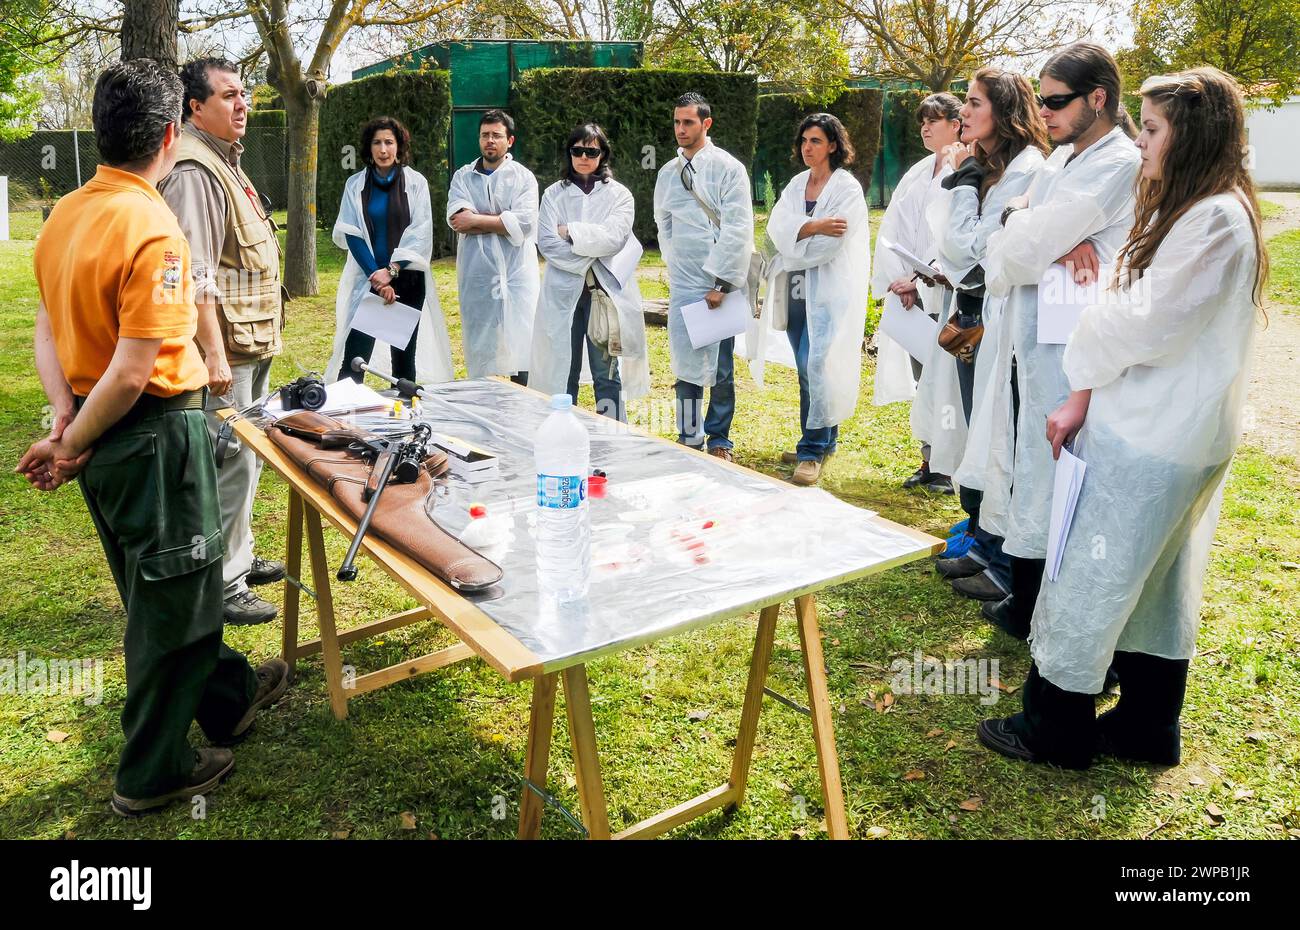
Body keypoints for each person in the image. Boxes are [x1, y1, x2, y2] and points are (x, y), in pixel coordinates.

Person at [17, 60, 290, 817]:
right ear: (171, 133)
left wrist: (67, 420)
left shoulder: (65, 214)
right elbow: (136, 370)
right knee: (172, 601)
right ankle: (153, 770)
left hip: (99, 430)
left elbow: (47, 327)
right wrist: (72, 439)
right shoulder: (157, 232)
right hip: (153, 436)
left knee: (170, 586)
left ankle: (230, 697)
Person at [977, 67, 1268, 769]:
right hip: (1166, 429)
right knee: (1155, 586)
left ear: (1193, 134)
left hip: (1151, 435)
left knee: (1091, 577)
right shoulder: (1200, 209)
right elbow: (1129, 292)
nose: (1143, 142)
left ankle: (1058, 727)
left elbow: (1138, 323)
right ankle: (1145, 725)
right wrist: (1104, 282)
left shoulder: (1215, 219)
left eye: (1156, 128)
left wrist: (1094, 302)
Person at [973, 43, 1140, 639]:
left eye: (1057, 102)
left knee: (1060, 473)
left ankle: (1043, 608)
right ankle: (1026, 597)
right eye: (1041, 101)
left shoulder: (1116, 162)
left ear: (1099, 98)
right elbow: (1012, 226)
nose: (1044, 113)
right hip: (1033, 339)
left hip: (1071, 350)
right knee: (1030, 461)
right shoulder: (1063, 157)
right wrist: (1031, 225)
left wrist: (1029, 229)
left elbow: (1015, 250)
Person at [159, 57, 285, 626]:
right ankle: (224, 580)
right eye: (229, 96)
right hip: (225, 351)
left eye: (245, 95)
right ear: (195, 108)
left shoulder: (222, 160)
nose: (243, 105)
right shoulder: (194, 170)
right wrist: (212, 354)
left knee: (245, 457)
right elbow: (196, 274)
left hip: (246, 343)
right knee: (228, 457)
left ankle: (239, 553)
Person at [925, 67, 1049, 606]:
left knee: (1006, 435)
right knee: (980, 429)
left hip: (1006, 321)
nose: (963, 114)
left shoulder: (1027, 169)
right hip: (973, 312)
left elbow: (975, 249)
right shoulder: (982, 167)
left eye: (973, 104)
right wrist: (968, 181)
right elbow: (956, 249)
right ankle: (979, 538)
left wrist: (964, 184)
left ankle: (1002, 559)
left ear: (1004, 110)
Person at [758, 113, 869, 486]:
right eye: (804, 140)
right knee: (807, 366)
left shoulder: (846, 189)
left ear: (833, 145)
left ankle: (811, 449)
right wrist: (816, 225)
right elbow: (776, 225)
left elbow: (829, 245)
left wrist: (800, 235)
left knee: (816, 363)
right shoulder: (796, 184)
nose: (808, 148)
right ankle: (825, 438)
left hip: (829, 289)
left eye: (816, 141)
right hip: (794, 289)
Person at [654, 92, 755, 462]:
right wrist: (675, 265)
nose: (681, 129)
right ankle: (688, 434)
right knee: (685, 364)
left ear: (706, 124)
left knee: (721, 366)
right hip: (683, 281)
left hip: (718, 285)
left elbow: (738, 227)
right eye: (677, 122)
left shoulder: (728, 168)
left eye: (689, 122)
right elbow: (662, 222)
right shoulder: (668, 172)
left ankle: (719, 438)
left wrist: (722, 283)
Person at [873, 93, 962, 493]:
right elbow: (894, 227)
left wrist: (922, 276)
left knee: (946, 379)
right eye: (922, 120)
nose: (925, 127)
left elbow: (952, 234)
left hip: (946, 290)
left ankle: (948, 465)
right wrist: (901, 277)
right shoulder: (917, 171)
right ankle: (928, 459)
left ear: (957, 123)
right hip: (912, 291)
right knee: (922, 375)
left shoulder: (967, 167)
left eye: (935, 119)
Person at [531, 123, 650, 416]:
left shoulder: (619, 195)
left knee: (605, 372)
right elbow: (546, 242)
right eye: (577, 150)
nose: (584, 156)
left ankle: (611, 435)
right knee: (562, 372)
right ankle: (560, 434)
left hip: (604, 293)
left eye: (591, 151)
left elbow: (615, 238)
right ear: (569, 153)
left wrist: (569, 230)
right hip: (563, 295)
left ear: (603, 153)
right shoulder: (552, 195)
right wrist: (592, 247)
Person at [326, 116, 453, 386]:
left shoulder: (416, 183)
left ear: (399, 146)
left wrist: (392, 271)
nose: (383, 150)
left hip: (407, 280)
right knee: (354, 362)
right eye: (377, 143)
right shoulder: (355, 185)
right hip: (369, 279)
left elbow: (420, 233)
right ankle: (345, 421)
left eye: (389, 142)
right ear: (368, 148)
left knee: (404, 365)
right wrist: (376, 275)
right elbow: (351, 233)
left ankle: (406, 421)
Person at [447, 109, 540, 383]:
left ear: (509, 141)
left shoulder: (523, 178)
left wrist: (476, 219)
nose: (490, 141)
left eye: (496, 135)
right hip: (477, 274)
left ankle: (524, 403)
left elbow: (523, 225)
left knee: (523, 340)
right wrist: (502, 220)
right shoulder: (463, 177)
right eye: (485, 135)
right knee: (481, 343)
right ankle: (486, 401)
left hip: (517, 274)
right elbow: (457, 220)